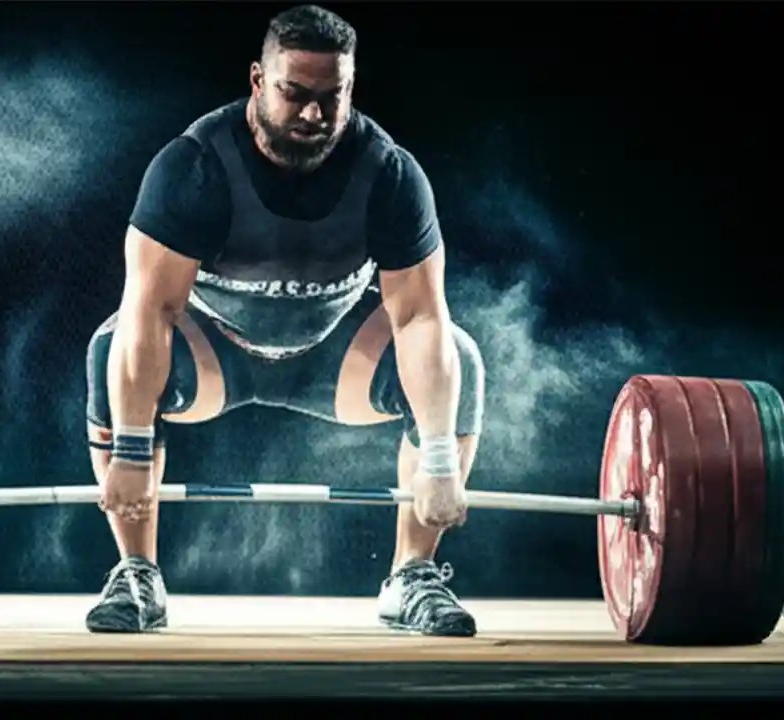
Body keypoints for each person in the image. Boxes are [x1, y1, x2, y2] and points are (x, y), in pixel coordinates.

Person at [83, 4, 486, 637]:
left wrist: (440, 462)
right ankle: (137, 573)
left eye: (332, 98)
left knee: (458, 354)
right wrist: (130, 452)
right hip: (218, 355)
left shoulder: (388, 174)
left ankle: (412, 577)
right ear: (257, 80)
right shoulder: (195, 167)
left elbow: (419, 321)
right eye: (295, 94)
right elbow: (150, 309)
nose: (313, 115)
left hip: (331, 361)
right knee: (111, 342)